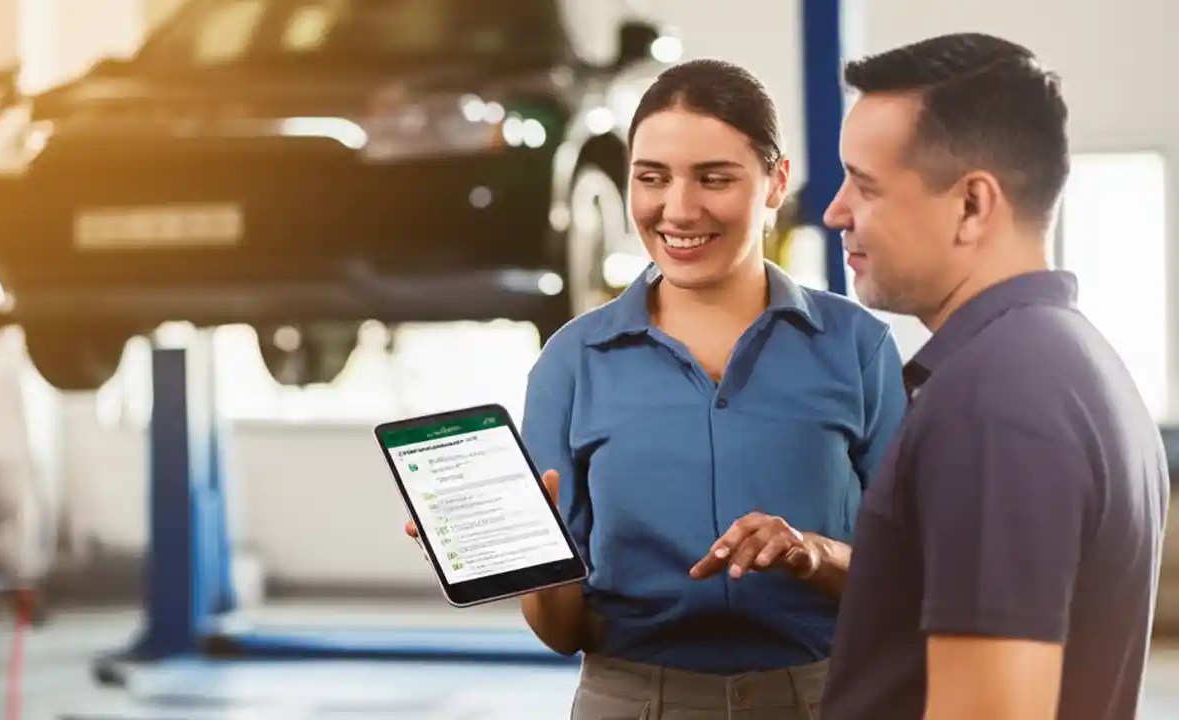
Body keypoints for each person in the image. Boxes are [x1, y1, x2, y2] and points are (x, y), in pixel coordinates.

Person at [409, 59, 906, 717]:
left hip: (821, 698)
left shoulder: (855, 348)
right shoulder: (572, 363)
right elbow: (563, 633)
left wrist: (813, 554)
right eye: (651, 178)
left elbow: (911, 582)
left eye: (715, 178)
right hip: (632, 701)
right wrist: (531, 561)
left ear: (775, 181)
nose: (678, 209)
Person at [819, 33, 1169, 720]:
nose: (836, 211)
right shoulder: (1070, 360)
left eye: (864, 185)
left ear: (973, 205)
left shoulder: (994, 399)